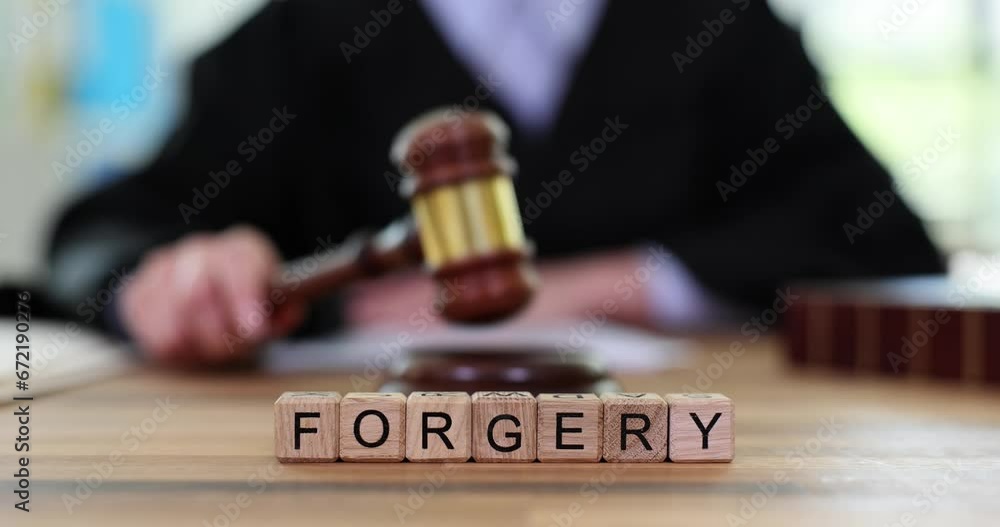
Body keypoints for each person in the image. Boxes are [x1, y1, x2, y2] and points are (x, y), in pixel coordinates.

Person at [47, 0, 943, 368]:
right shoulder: (299, 36)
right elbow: (98, 234)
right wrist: (162, 284)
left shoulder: (719, 27)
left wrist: (615, 283)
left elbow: (880, 232)